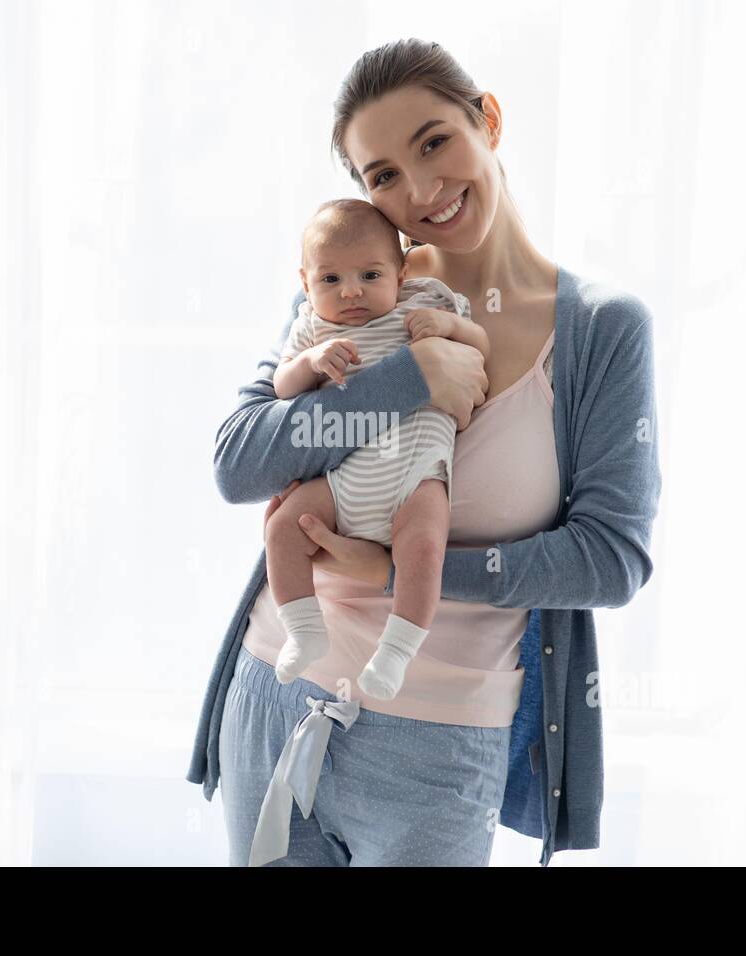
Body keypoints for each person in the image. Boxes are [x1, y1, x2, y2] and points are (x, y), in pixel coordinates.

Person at [186, 37, 662, 867]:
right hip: (274, 694)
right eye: (383, 175)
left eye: (435, 142)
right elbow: (238, 462)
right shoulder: (354, 282)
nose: (422, 190)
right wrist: (402, 381)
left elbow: (612, 560)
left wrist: (406, 576)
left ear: (490, 121)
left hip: (439, 743)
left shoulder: (602, 330)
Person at [268, 197, 488, 701]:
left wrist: (450, 328)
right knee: (283, 527)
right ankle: (303, 629)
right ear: (305, 283)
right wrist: (311, 363)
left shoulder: (425, 302)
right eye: (330, 281)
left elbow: (480, 345)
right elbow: (282, 387)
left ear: (402, 273)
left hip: (415, 471)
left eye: (370, 275)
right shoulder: (311, 329)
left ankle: (396, 651)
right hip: (346, 479)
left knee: (425, 548)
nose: (351, 292)